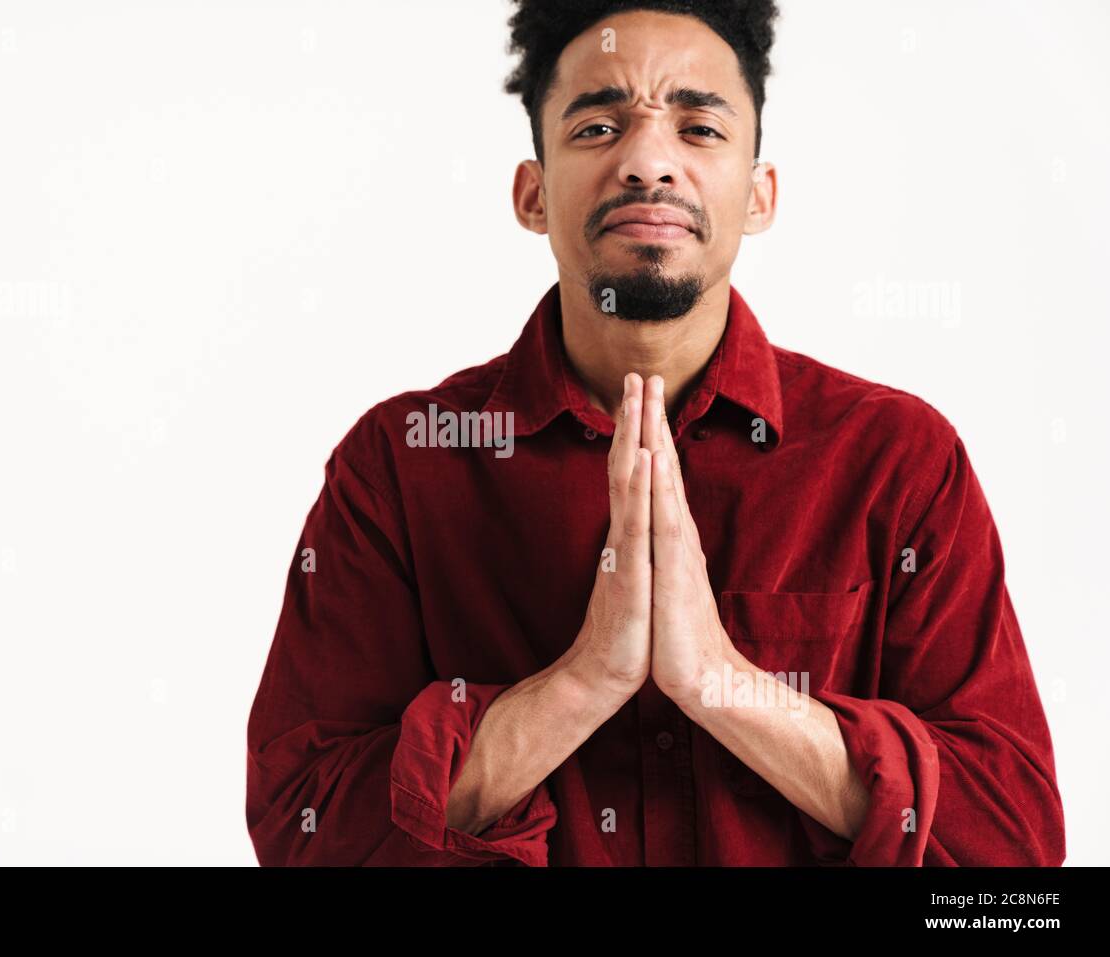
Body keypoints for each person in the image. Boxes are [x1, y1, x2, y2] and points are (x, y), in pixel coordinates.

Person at [246, 0, 1065, 865]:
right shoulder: (402, 465)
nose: (647, 162)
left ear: (759, 194)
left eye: (699, 128)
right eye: (599, 126)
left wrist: (726, 684)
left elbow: (1010, 866)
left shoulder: (899, 461)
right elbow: (302, 822)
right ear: (533, 192)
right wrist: (578, 684)